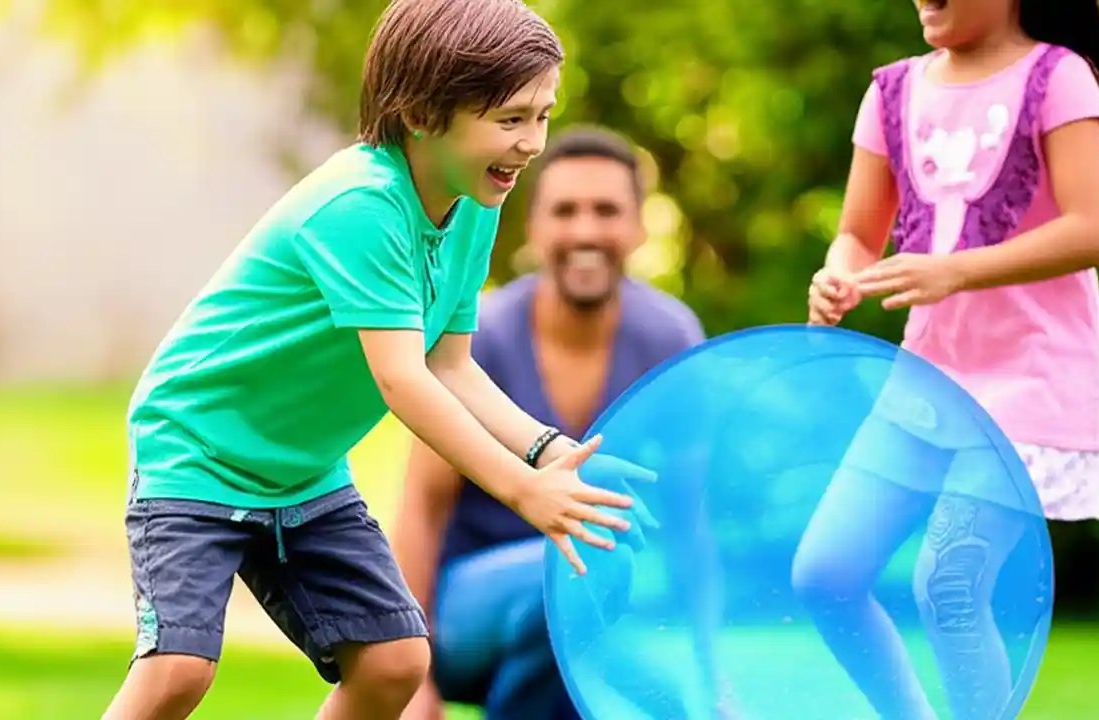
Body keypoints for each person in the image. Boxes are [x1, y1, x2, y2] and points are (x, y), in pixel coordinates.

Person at [101, 3, 650, 719]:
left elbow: (452, 366)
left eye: (542, 116)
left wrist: (547, 452)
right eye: (512, 119)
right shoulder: (362, 204)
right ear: (424, 113)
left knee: (395, 662)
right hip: (198, 451)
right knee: (178, 671)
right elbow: (403, 381)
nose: (532, 143)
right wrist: (521, 492)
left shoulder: (473, 205)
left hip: (301, 472)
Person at [798, 0, 1099, 718]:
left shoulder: (1054, 79)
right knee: (826, 572)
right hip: (927, 381)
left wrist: (956, 270)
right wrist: (838, 272)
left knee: (951, 588)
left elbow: (1093, 230)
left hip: (1032, 379)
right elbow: (857, 233)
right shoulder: (892, 91)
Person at [392, 126, 707, 720]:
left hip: (600, 616)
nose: (585, 231)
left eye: (606, 211)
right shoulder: (478, 336)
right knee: (578, 569)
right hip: (465, 614)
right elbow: (421, 508)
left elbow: (693, 527)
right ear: (534, 228)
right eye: (565, 211)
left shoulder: (671, 338)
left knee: (679, 706)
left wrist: (711, 672)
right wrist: (415, 674)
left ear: (639, 227)